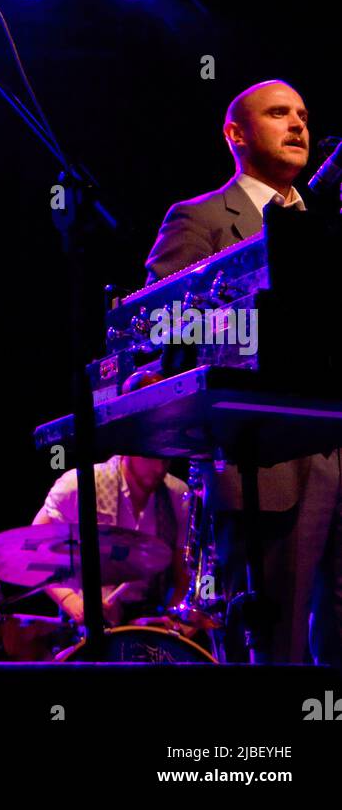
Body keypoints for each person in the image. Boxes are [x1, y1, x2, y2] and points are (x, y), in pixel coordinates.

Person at [144, 78, 342, 664]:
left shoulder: (328, 225)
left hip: (335, 445)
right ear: (236, 133)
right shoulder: (199, 217)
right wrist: (252, 327)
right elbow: (159, 329)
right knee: (272, 647)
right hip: (264, 459)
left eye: (303, 114)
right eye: (279, 113)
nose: (298, 125)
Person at [32, 375, 190, 630]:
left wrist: (176, 616)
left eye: (167, 454)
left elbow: (184, 573)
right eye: (152, 453)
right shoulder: (79, 485)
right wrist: (71, 600)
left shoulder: (177, 495)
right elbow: (34, 549)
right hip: (89, 627)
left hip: (149, 624)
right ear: (127, 444)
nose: (161, 465)